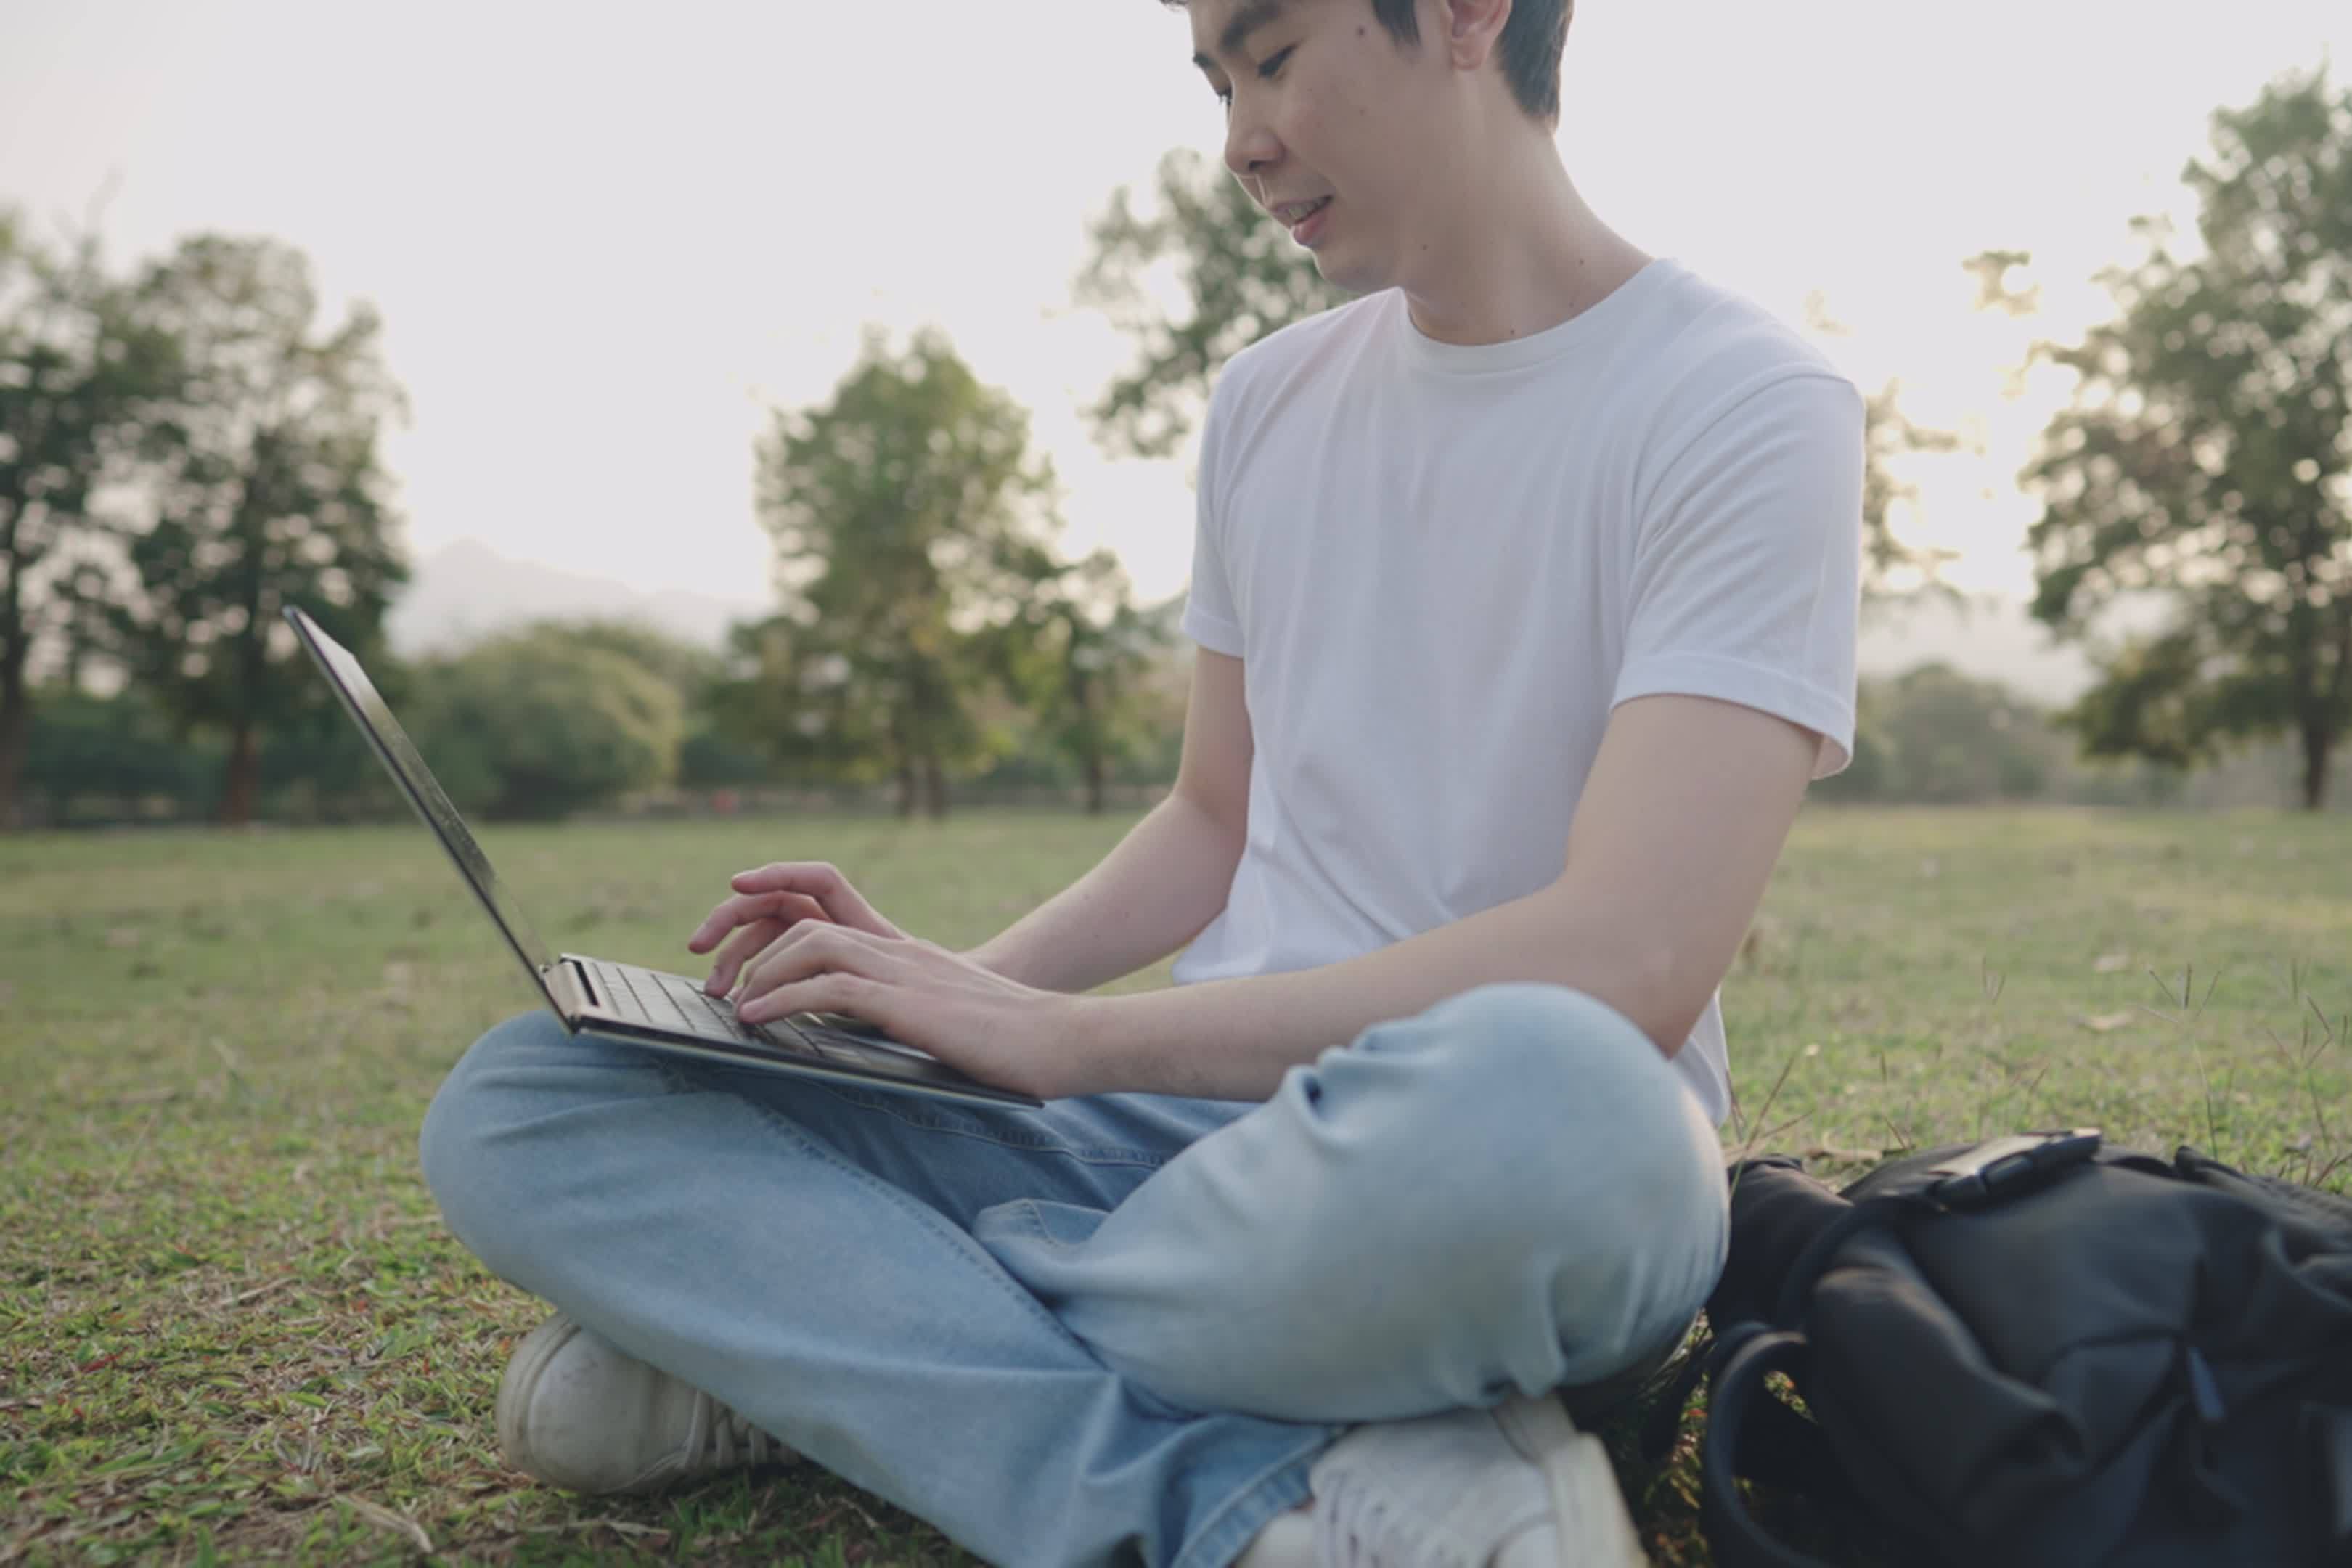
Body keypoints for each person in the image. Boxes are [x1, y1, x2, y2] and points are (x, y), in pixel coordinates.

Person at [416, 0, 1864, 1562]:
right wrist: (939, 1007)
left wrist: (1067, 1041)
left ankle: (842, 1332)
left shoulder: (1745, 403)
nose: (1239, 141)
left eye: (1274, 57)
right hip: (1183, 1148)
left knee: (1577, 1113)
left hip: (1487, 1164)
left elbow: (1631, 961)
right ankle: (1247, 1492)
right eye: (1215, 82)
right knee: (528, 1101)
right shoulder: (1268, 403)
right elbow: (1211, 821)